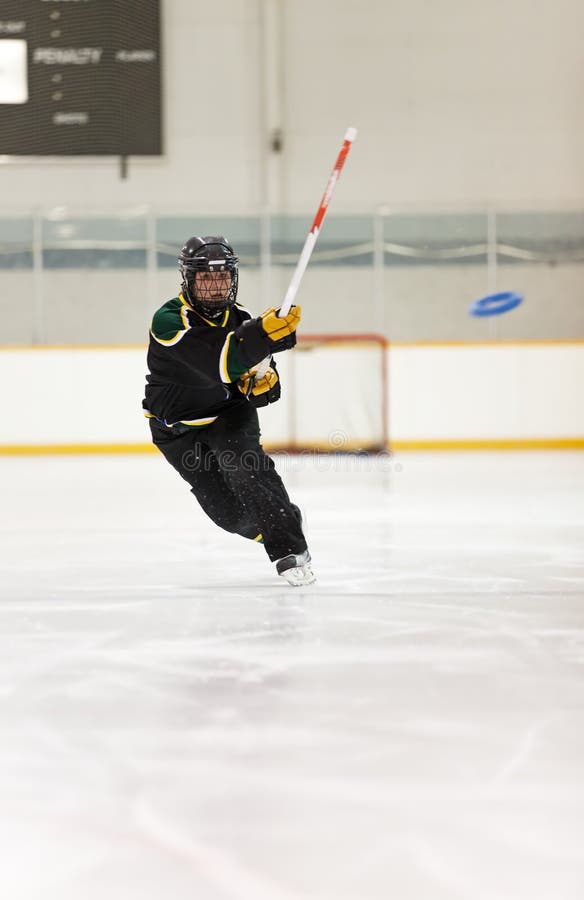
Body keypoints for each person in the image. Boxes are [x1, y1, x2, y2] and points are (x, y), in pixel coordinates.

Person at [142, 235, 315, 586]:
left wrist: (265, 384)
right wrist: (261, 338)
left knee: (245, 468)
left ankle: (290, 551)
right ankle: (284, 519)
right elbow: (215, 362)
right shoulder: (169, 321)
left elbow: (257, 384)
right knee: (229, 515)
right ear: (188, 280)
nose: (214, 286)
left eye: (221, 278)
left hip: (227, 415)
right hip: (175, 430)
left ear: (232, 279)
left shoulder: (243, 320)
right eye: (205, 278)